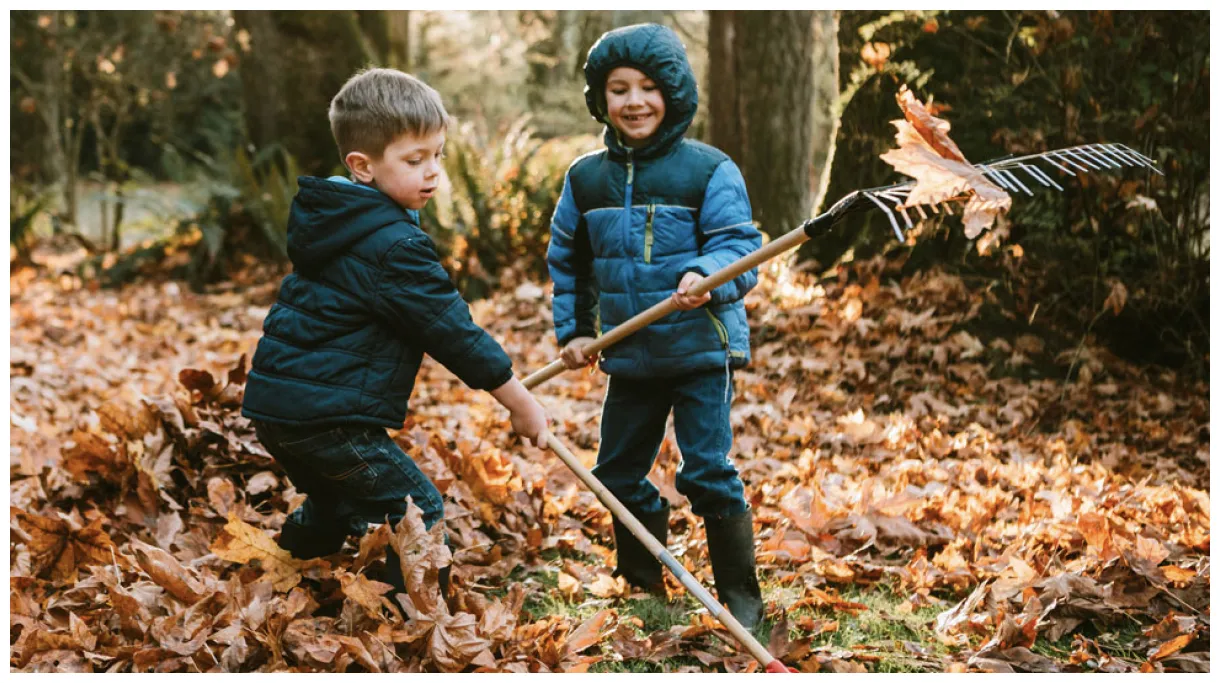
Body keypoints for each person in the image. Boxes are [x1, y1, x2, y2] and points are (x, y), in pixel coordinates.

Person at [241, 68, 550, 599]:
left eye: (438, 156)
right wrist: (520, 402)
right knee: (417, 511)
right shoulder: (391, 246)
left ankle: (283, 569)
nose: (433, 173)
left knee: (338, 501)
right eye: (414, 160)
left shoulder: (337, 220)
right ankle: (417, 624)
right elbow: (453, 332)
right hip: (326, 420)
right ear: (362, 166)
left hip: (280, 410)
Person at [546, 24, 765, 629]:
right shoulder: (586, 179)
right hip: (629, 353)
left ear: (673, 93)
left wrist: (706, 275)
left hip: (700, 350)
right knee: (614, 474)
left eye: (648, 87)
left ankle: (743, 602)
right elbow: (568, 262)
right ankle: (643, 583)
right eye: (618, 89)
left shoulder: (707, 170)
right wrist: (574, 332)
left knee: (707, 472)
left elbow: (739, 249)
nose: (634, 101)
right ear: (601, 98)